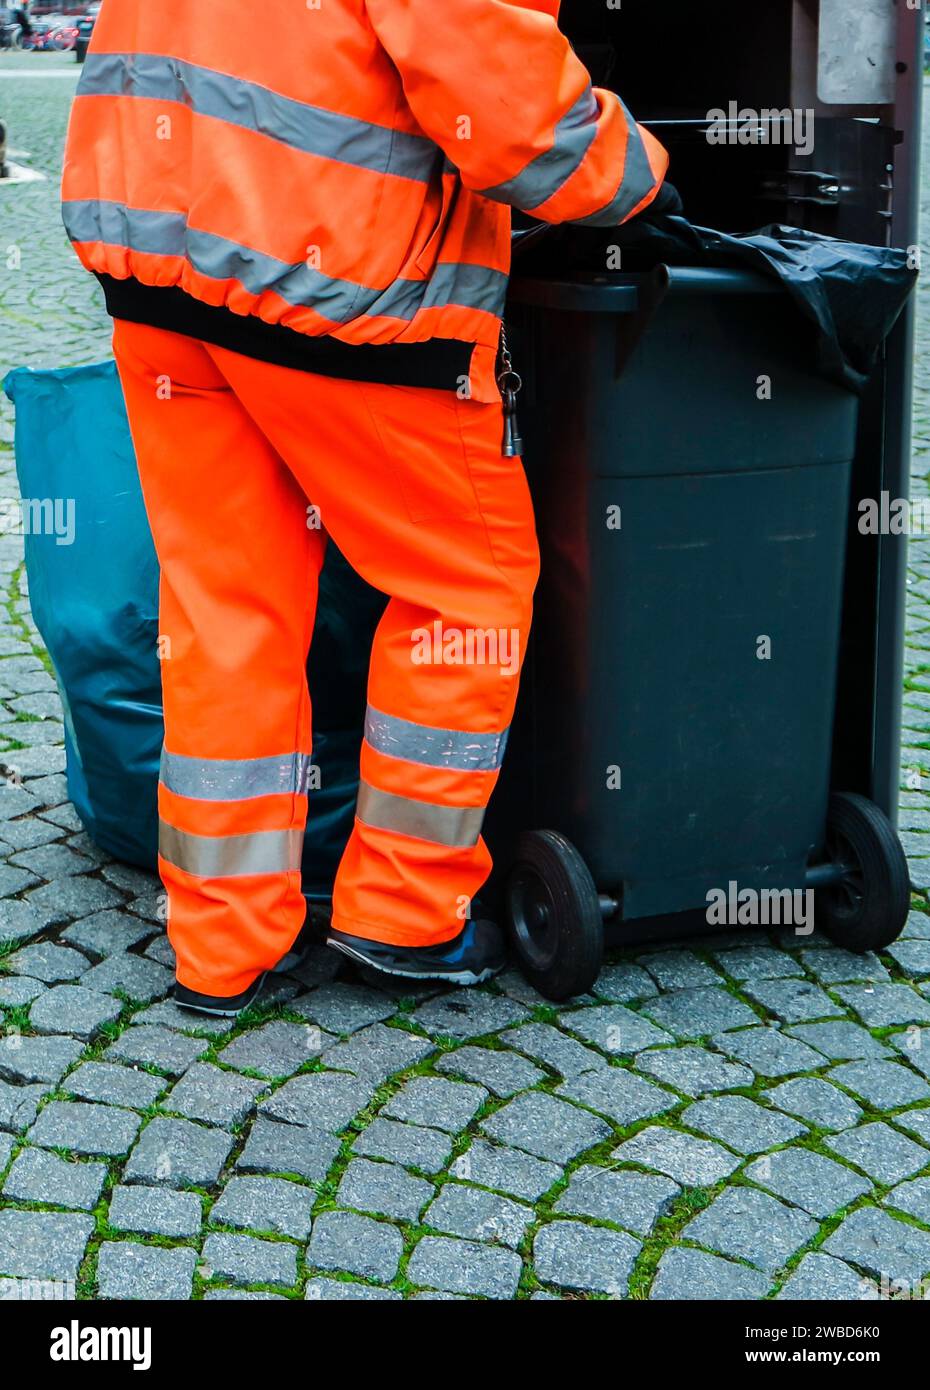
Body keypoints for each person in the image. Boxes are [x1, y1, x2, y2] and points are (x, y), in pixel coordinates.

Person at [60, 1, 671, 1016]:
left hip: (163, 270)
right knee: (462, 591)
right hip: (346, 293)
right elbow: (515, 124)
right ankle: (404, 912)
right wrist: (644, 171)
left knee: (226, 611)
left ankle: (224, 943)